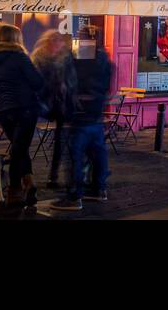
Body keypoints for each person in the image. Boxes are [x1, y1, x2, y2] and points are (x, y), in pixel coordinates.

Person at [0, 24, 44, 206]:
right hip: (25, 107)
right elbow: (37, 82)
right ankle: (15, 189)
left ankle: (29, 182)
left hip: (2, 108)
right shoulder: (19, 57)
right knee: (19, 149)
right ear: (16, 39)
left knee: (18, 146)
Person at [52, 26, 113, 211]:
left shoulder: (78, 58)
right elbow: (107, 86)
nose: (77, 39)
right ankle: (98, 189)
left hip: (78, 113)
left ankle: (74, 197)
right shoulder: (104, 58)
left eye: (81, 36)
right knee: (97, 153)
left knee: (74, 156)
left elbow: (67, 80)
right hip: (96, 112)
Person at [31, 29, 76, 189]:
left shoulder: (66, 57)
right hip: (48, 103)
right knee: (61, 140)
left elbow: (72, 80)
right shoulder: (39, 58)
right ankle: (54, 175)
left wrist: (67, 89)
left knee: (63, 140)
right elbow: (36, 82)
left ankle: (56, 176)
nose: (56, 45)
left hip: (66, 104)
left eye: (58, 42)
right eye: (53, 42)